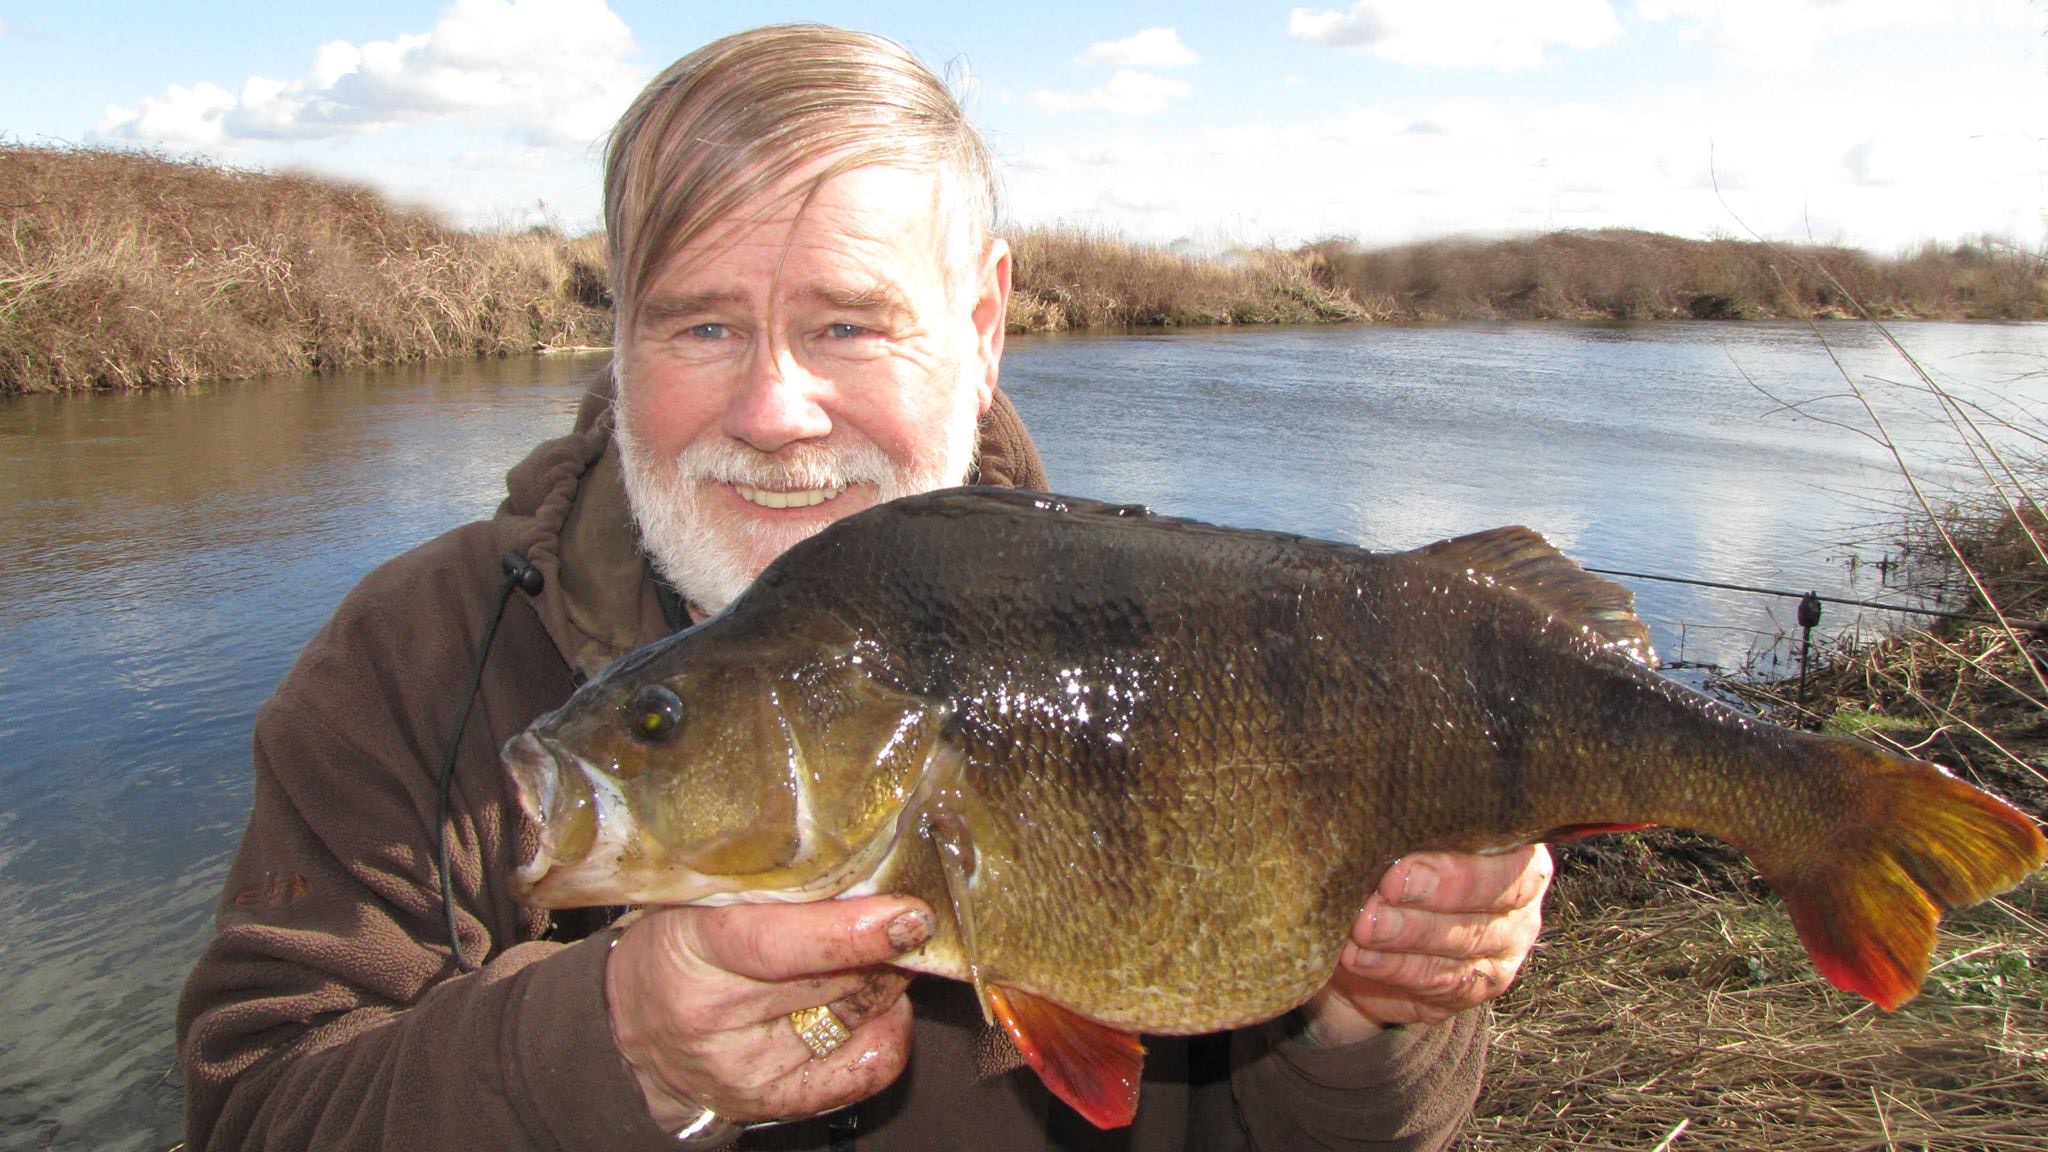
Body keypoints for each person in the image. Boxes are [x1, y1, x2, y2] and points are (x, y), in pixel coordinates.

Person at [177, 24, 1551, 1151]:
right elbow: (255, 1111)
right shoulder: (413, 666)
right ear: (617, 334)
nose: (777, 410)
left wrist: (1375, 1011)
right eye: (702, 323)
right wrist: (609, 1050)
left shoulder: (1192, 635)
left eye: (847, 323)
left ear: (982, 323)